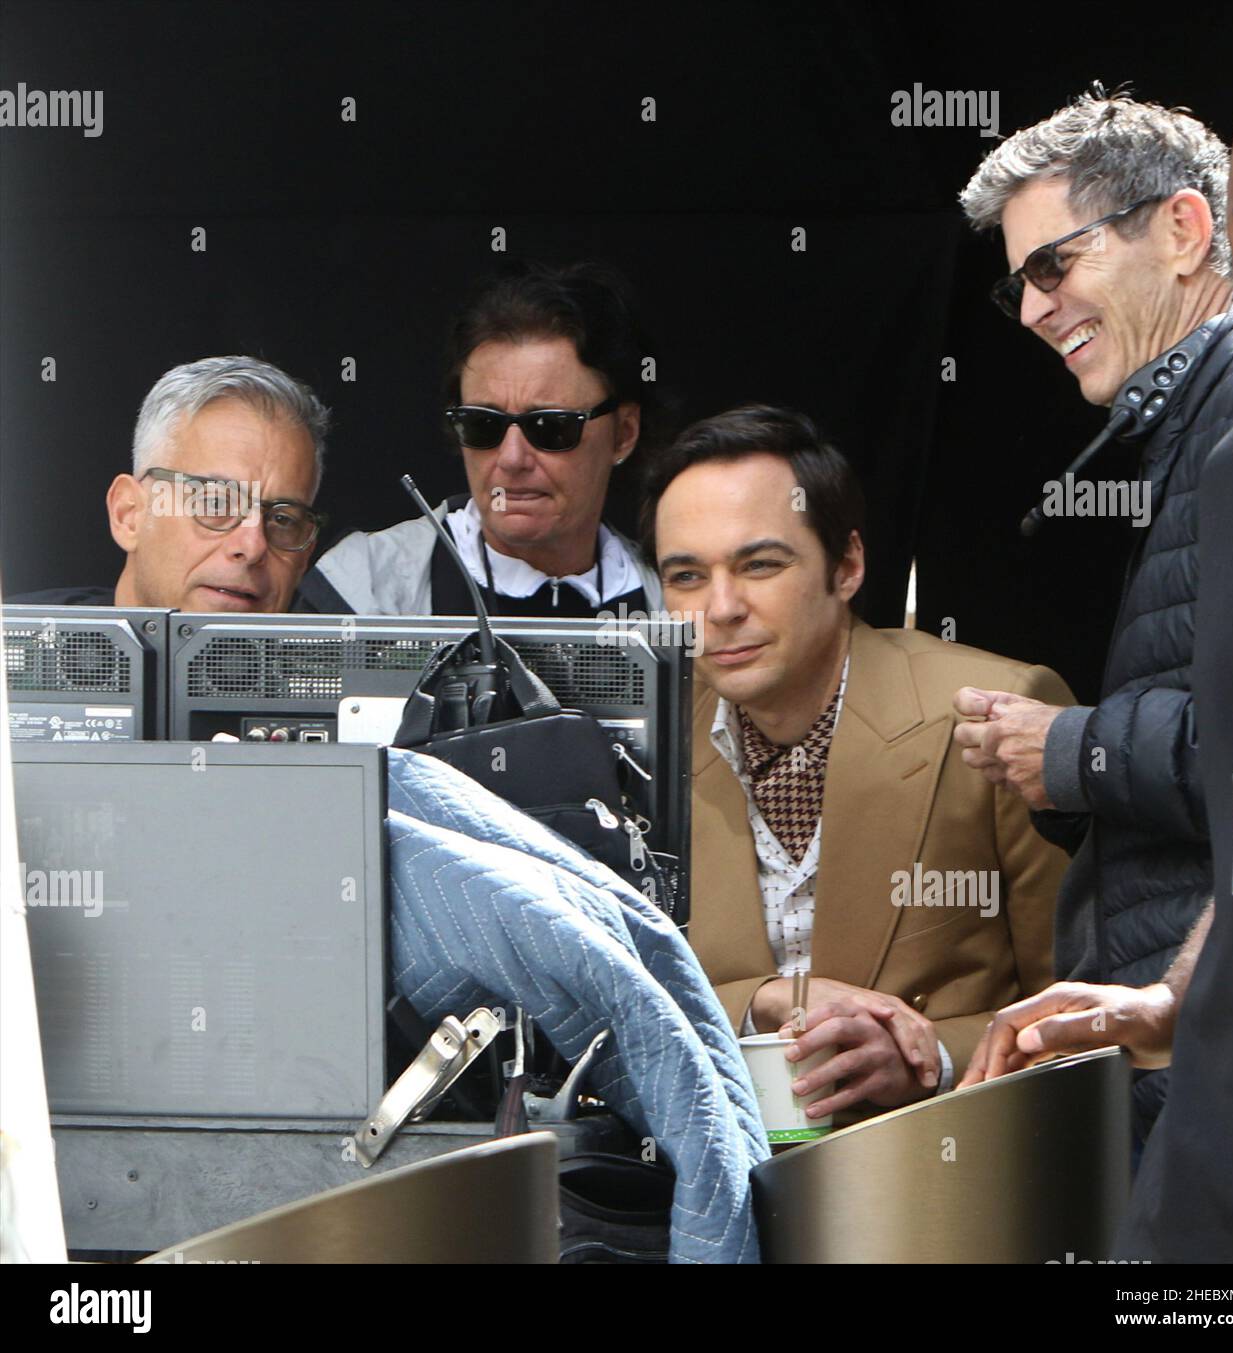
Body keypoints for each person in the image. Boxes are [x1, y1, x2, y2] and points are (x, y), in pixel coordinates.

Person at [959, 72, 1233, 1263]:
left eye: (1053, 265)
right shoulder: (1229, 427)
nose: (1034, 309)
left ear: (1181, 229)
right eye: (1016, 286)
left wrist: (1074, 748)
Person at [643, 405, 1072, 1119]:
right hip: (707, 1185)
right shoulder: (644, 740)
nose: (720, 607)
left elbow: (1093, 1007)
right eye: (687, 576)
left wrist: (928, 1057)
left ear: (847, 565)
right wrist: (759, 1003)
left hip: (942, 1175)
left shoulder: (993, 713)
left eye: (759, 565)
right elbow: (602, 1002)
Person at [296, 261, 662, 619]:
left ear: (624, 433)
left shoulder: (678, 605)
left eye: (551, 427)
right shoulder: (364, 590)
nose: (512, 458)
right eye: (483, 425)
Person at [8, 355, 329, 613]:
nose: (253, 547)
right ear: (128, 514)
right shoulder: (9, 659)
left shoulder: (340, 687)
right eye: (216, 502)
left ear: (305, 556)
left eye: (282, 519)